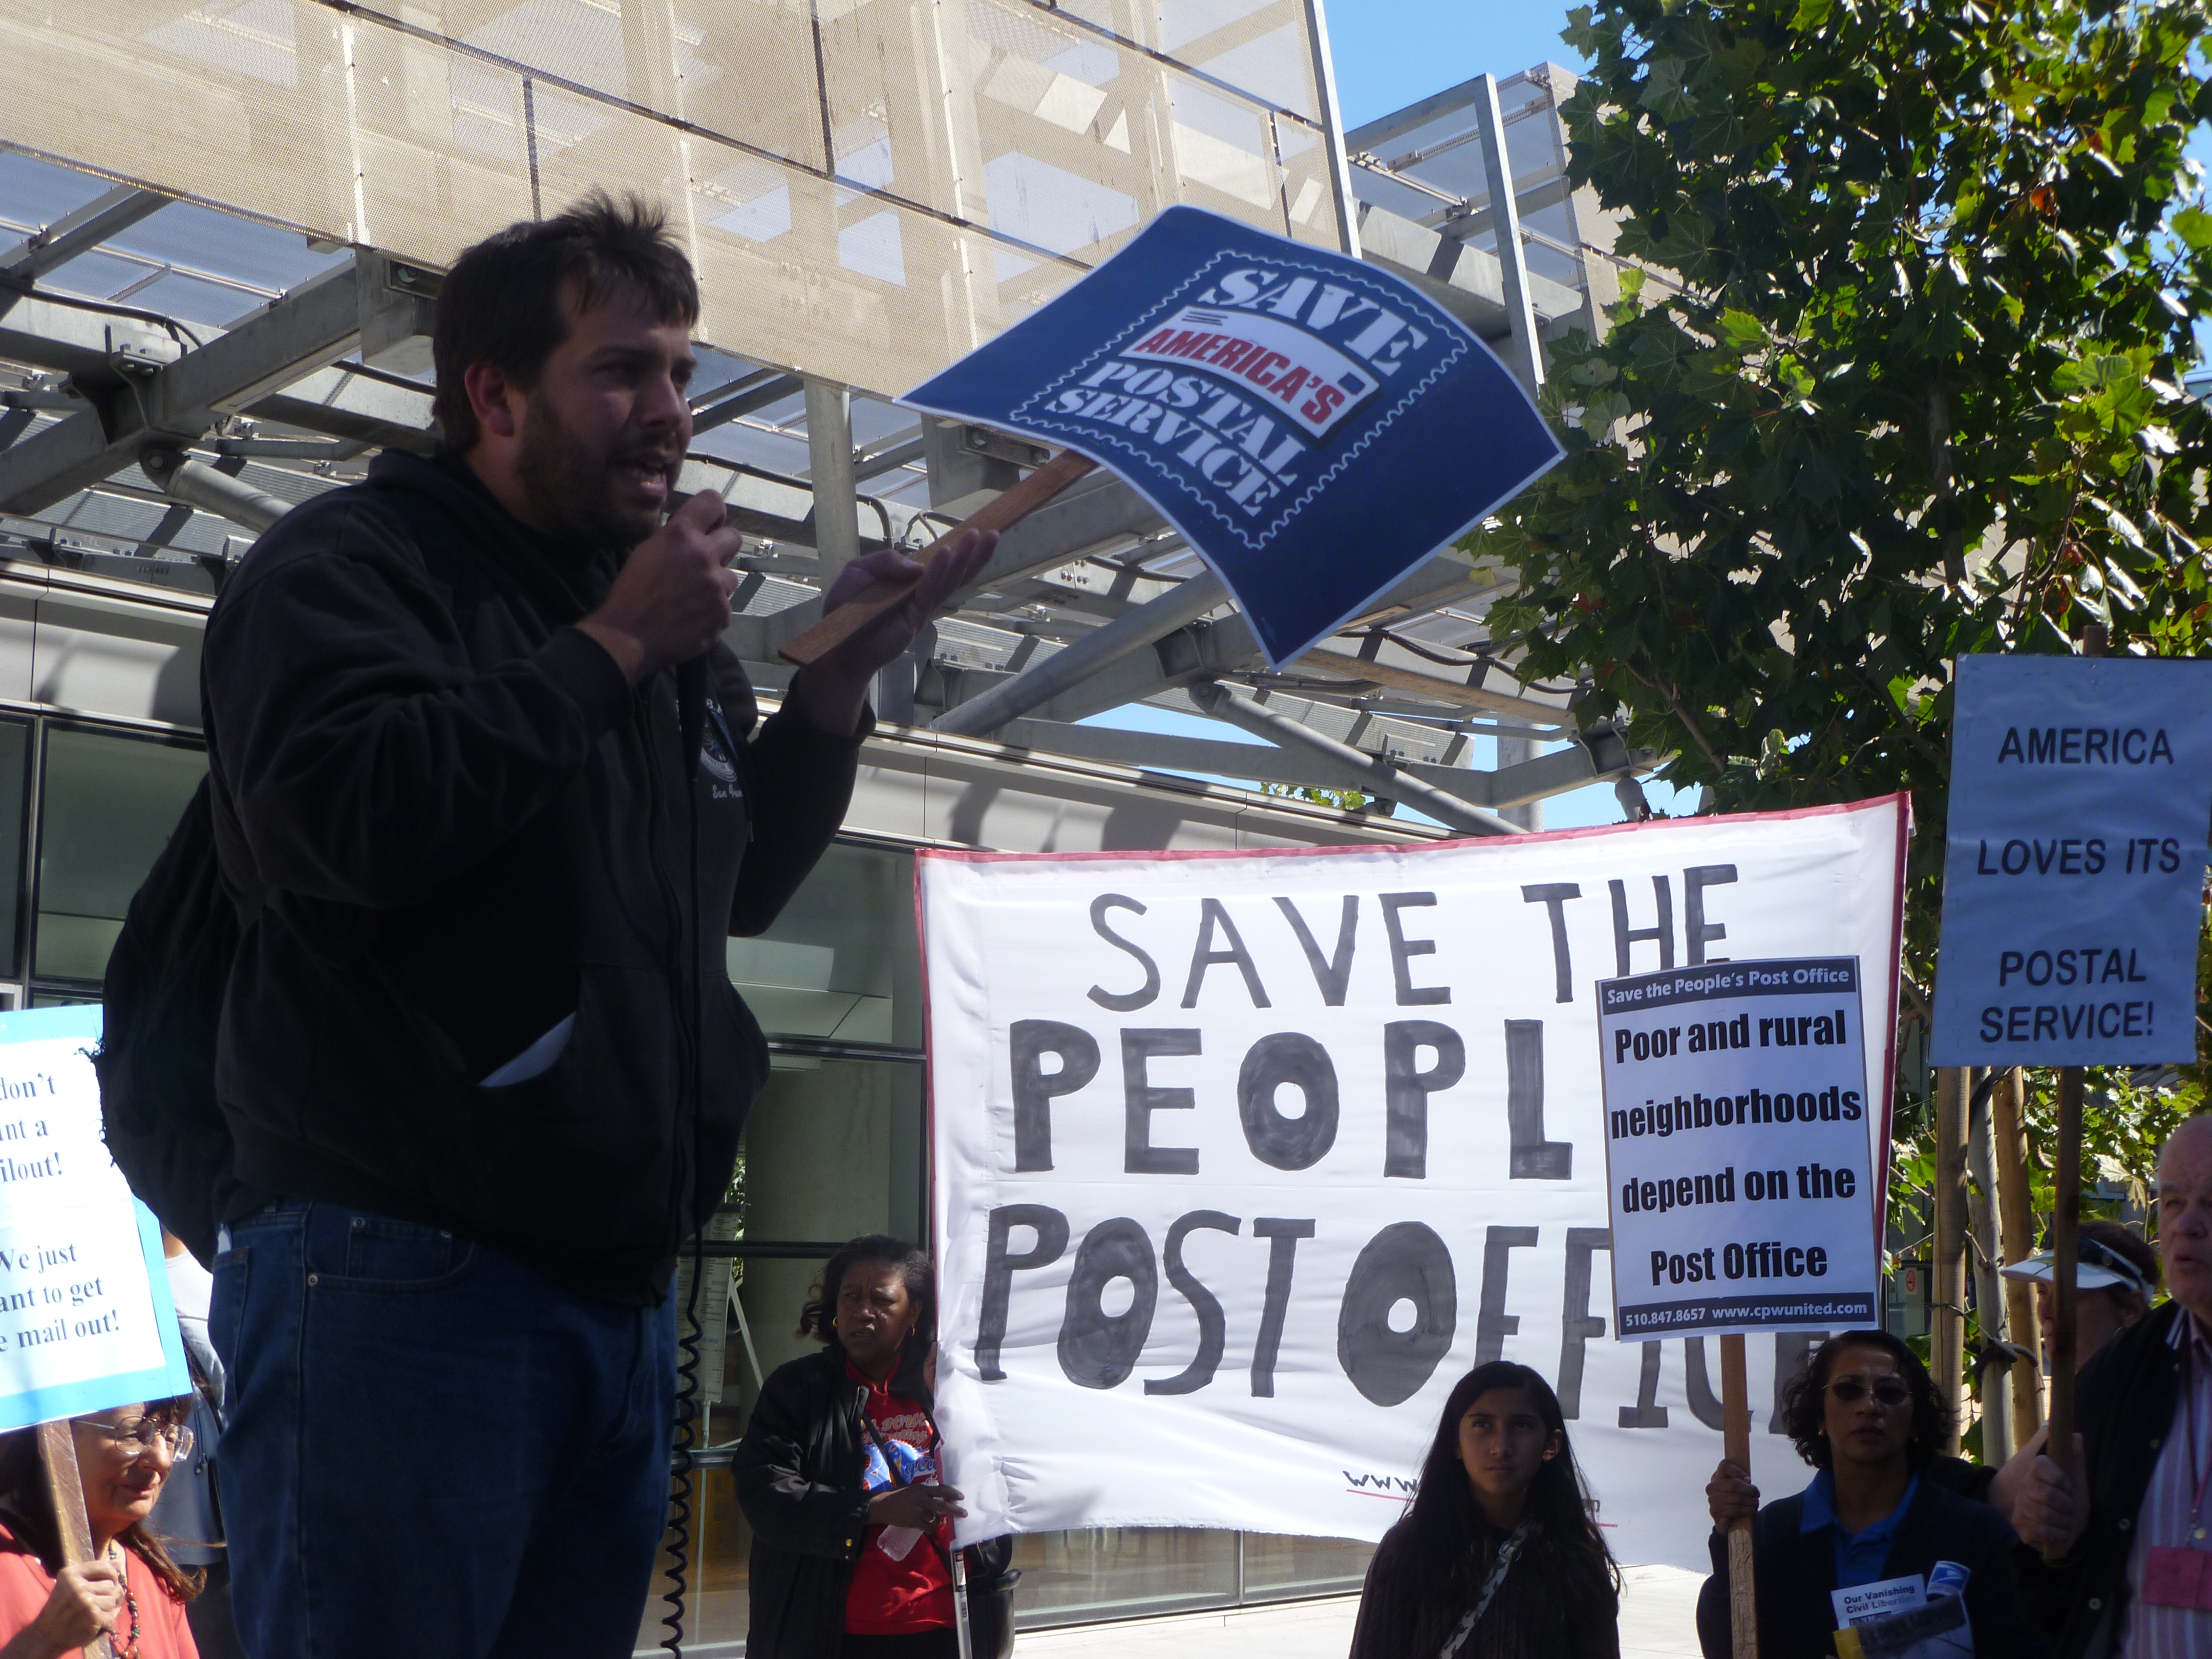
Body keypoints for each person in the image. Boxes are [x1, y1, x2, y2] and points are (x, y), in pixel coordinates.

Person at [199, 194, 993, 1659]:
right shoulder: (353, 568)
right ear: (490, 395)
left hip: (607, 1301)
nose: (671, 414)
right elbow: (338, 827)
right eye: (624, 371)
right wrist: (615, 647)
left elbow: (729, 888)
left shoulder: (650, 628)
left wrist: (828, 693)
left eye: (684, 375)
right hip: (400, 1280)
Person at [1694, 1330, 2050, 1658]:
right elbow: (1728, 1646)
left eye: (1890, 1392)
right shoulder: (1772, 1534)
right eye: (1848, 1390)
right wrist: (1729, 1540)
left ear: (1915, 1416)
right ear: (1819, 1414)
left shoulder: (1978, 1535)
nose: (1868, 1406)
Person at [2012, 1114, 2212, 1655]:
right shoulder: (2118, 1378)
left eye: (2211, 1204)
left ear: (2128, 1305)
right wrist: (2059, 1544)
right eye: (2172, 1202)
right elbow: (2065, 1599)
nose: (2186, 1225)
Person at [734, 1236, 966, 1658]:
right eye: (851, 1297)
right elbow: (764, 1497)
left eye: (881, 1300)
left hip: (942, 1623)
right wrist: (873, 1510)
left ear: (913, 1312)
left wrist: (951, 1403)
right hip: (825, 1629)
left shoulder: (948, 1385)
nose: (863, 1312)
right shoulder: (797, 1388)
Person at [1348, 1360, 1619, 1659]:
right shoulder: (1409, 1549)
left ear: (1550, 1444)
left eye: (1521, 1425)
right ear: (1456, 1443)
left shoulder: (1576, 1554)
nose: (1501, 1446)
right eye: (1482, 1425)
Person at [0, 1400, 201, 1658]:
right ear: (53, 1439)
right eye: (133, 1434)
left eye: (172, 1437)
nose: (161, 1460)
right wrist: (43, 1640)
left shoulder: (154, 1576)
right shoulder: (8, 1563)